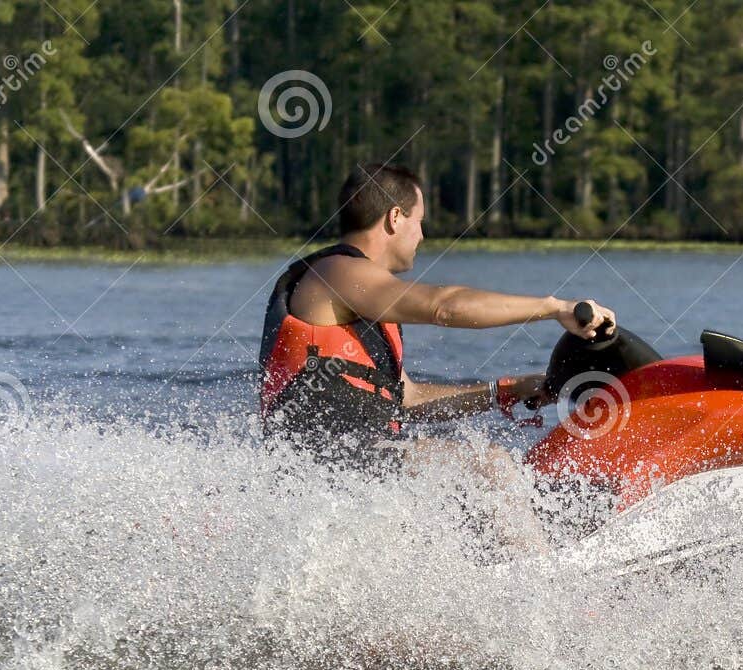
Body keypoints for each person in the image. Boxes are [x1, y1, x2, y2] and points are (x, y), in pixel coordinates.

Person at [258, 162, 617, 471]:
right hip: (328, 463)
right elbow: (443, 306)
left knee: (469, 470)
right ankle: (542, 556)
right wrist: (556, 308)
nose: (423, 235)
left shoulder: (362, 305)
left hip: (360, 465)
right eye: (420, 221)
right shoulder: (336, 273)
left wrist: (508, 390)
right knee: (488, 464)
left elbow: (409, 400)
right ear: (395, 217)